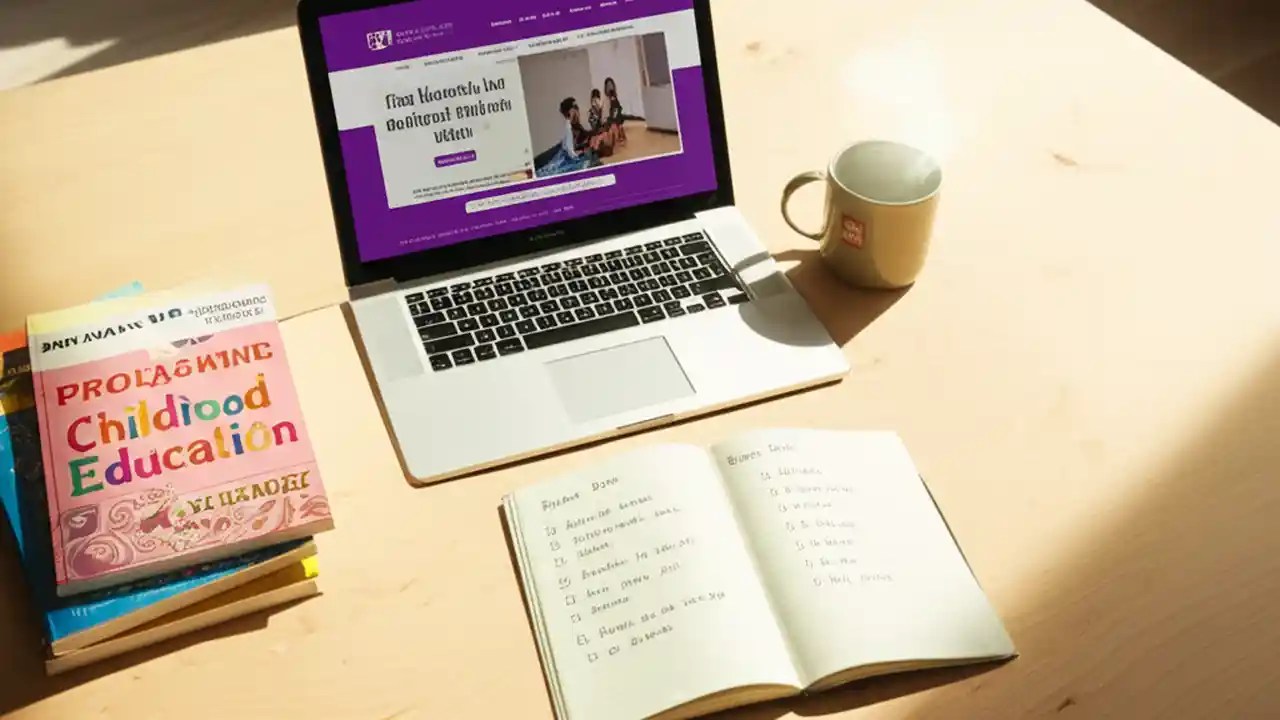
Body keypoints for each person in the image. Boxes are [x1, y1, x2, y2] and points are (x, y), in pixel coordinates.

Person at [586, 89, 615, 156]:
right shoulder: (591, 113)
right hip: (597, 133)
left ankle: (602, 149)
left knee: (606, 134)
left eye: (597, 100)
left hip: (601, 132)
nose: (596, 103)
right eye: (594, 100)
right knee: (596, 138)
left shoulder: (602, 111)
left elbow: (606, 123)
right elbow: (594, 128)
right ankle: (598, 150)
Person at [603, 77, 627, 146]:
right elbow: (606, 113)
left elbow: (617, 109)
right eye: (608, 85)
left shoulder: (614, 97)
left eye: (611, 85)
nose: (610, 87)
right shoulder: (606, 99)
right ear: (606, 87)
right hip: (609, 120)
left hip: (615, 119)